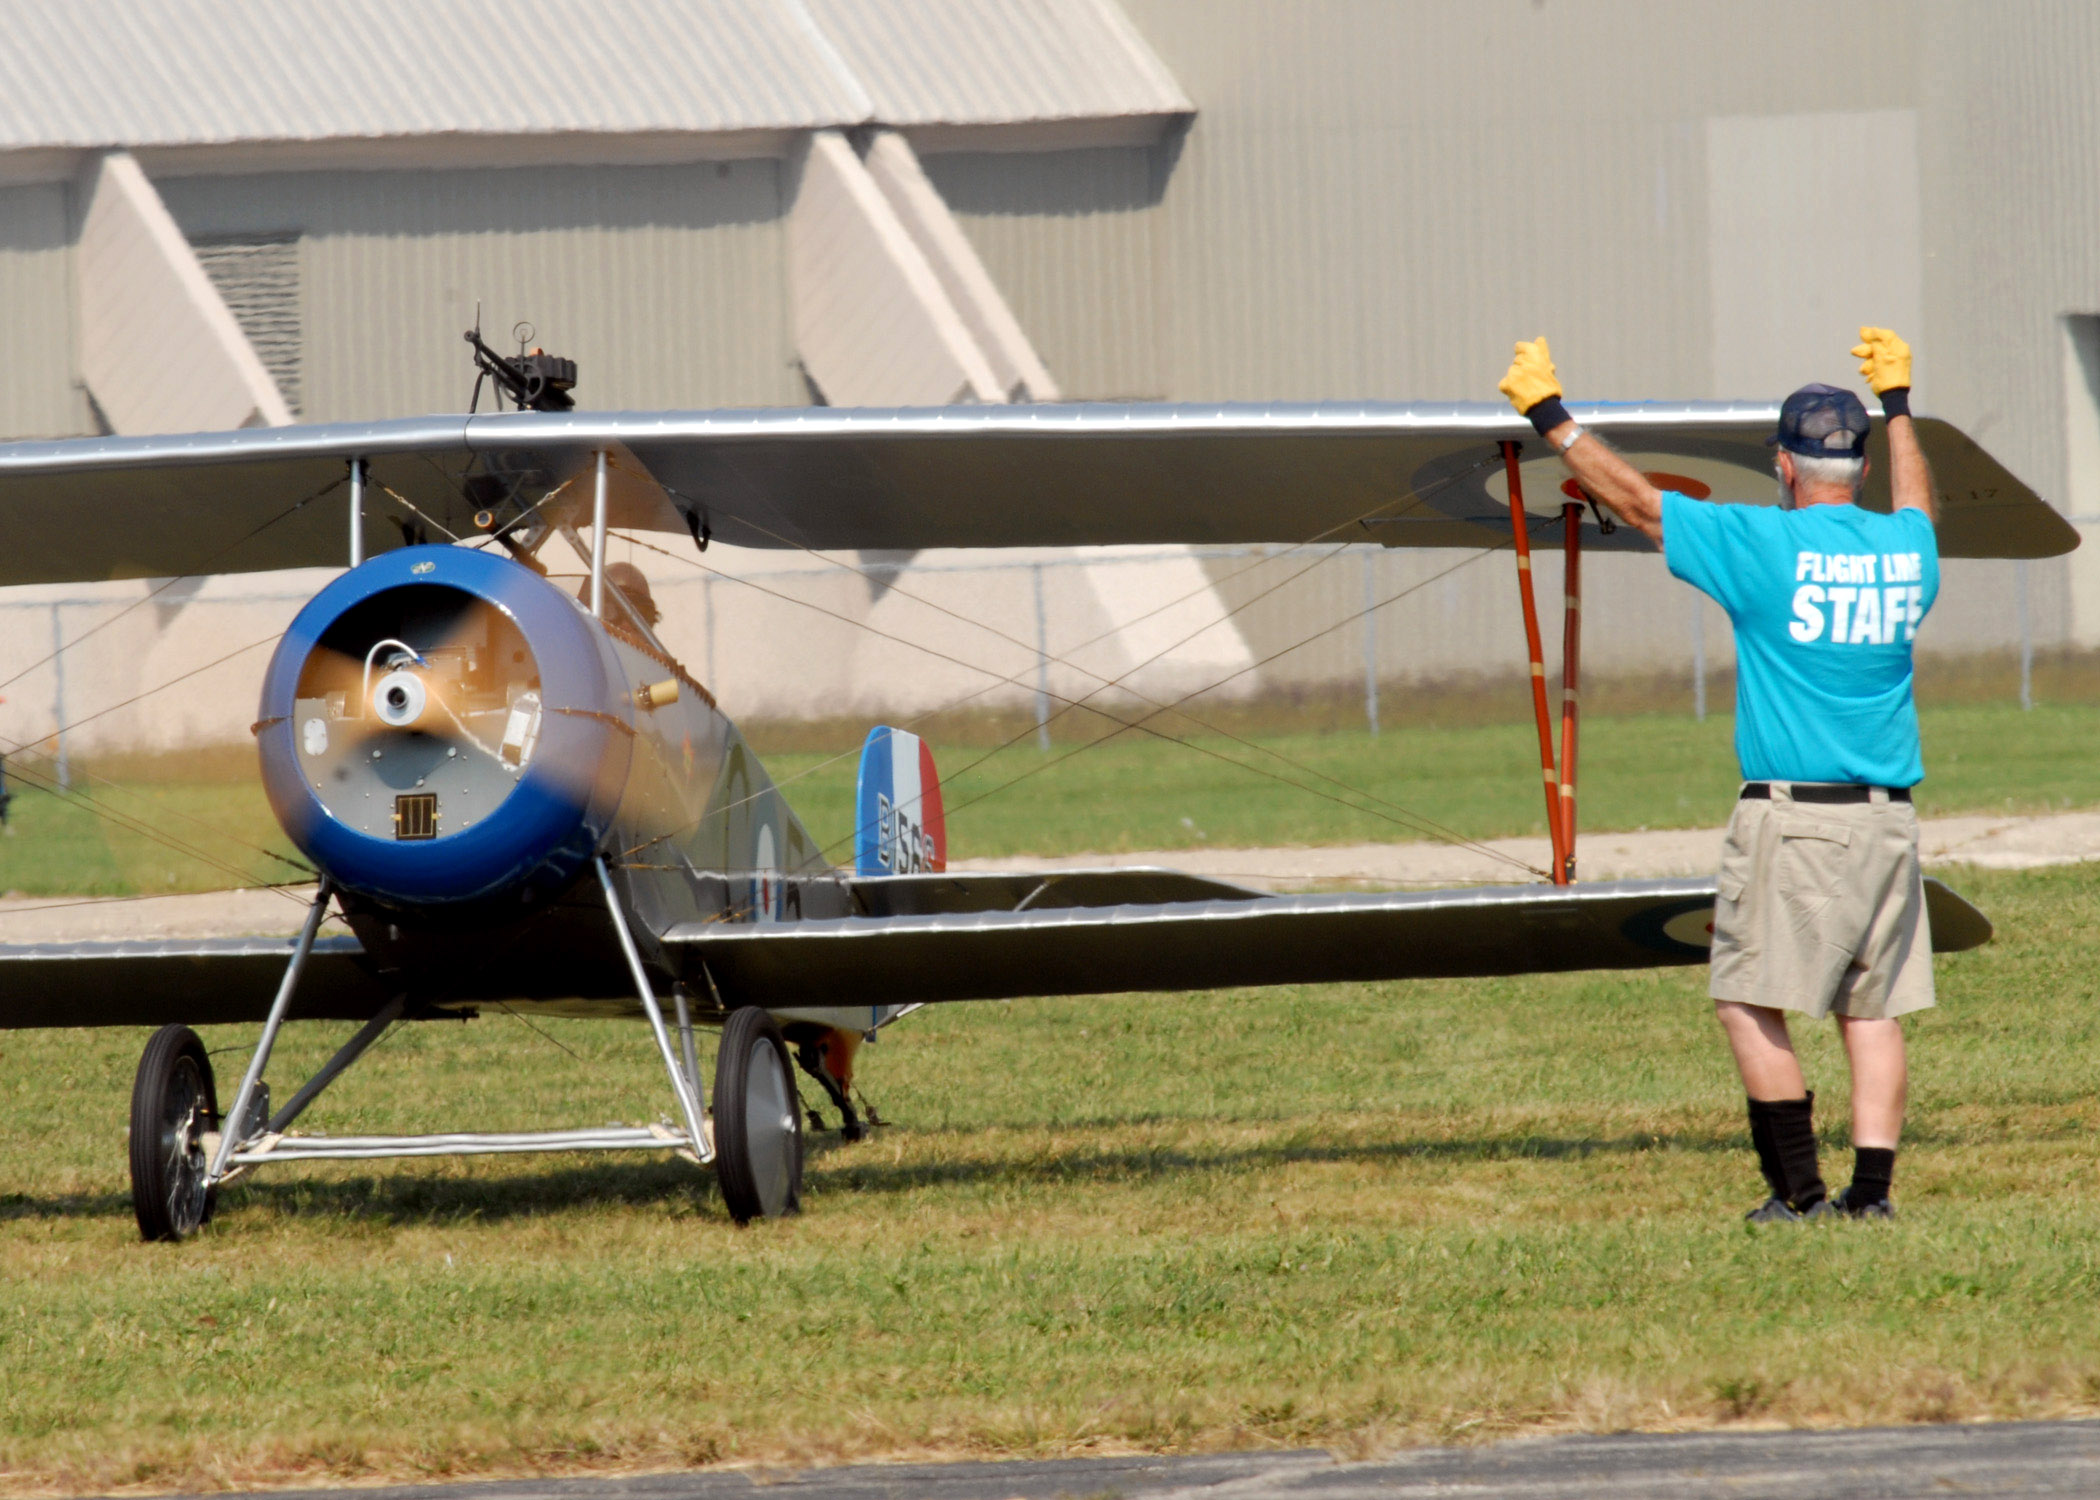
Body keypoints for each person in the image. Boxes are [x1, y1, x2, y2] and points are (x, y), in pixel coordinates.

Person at [1497, 327, 1939, 1222]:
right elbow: (1920, 506)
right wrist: (1899, 407)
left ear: (1784, 466)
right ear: (1858, 468)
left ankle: (1798, 1195)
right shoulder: (1910, 553)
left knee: (1743, 999)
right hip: (1890, 823)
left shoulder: (1763, 544)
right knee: (1872, 1010)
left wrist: (1551, 417)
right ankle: (1872, 1197)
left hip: (1797, 817)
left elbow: (1641, 505)